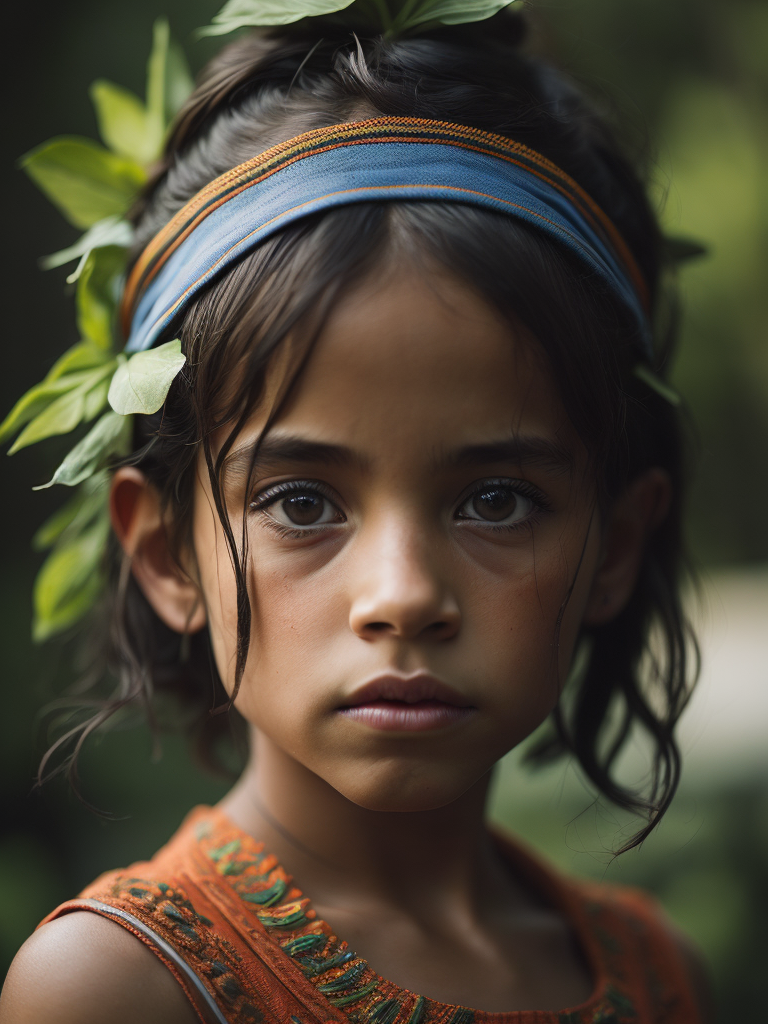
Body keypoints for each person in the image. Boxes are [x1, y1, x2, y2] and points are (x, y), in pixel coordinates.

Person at [0, 3, 713, 1022]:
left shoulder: (662, 976)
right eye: (301, 501)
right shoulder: (125, 988)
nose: (404, 595)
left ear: (616, 541)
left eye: (497, 499)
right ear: (167, 553)